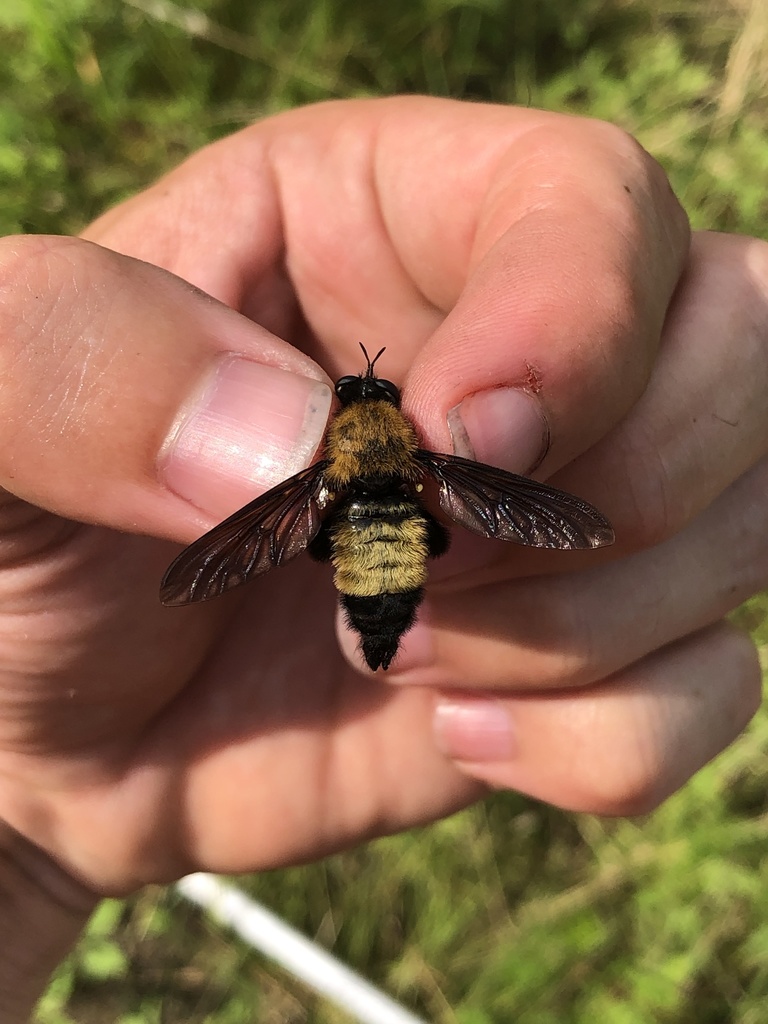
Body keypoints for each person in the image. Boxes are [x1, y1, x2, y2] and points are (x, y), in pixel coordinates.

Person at [0, 95, 764, 1020]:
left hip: (356, 567)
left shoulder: (307, 479)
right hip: (396, 556)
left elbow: (260, 534)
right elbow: (511, 507)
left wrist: (41, 834)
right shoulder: (423, 457)